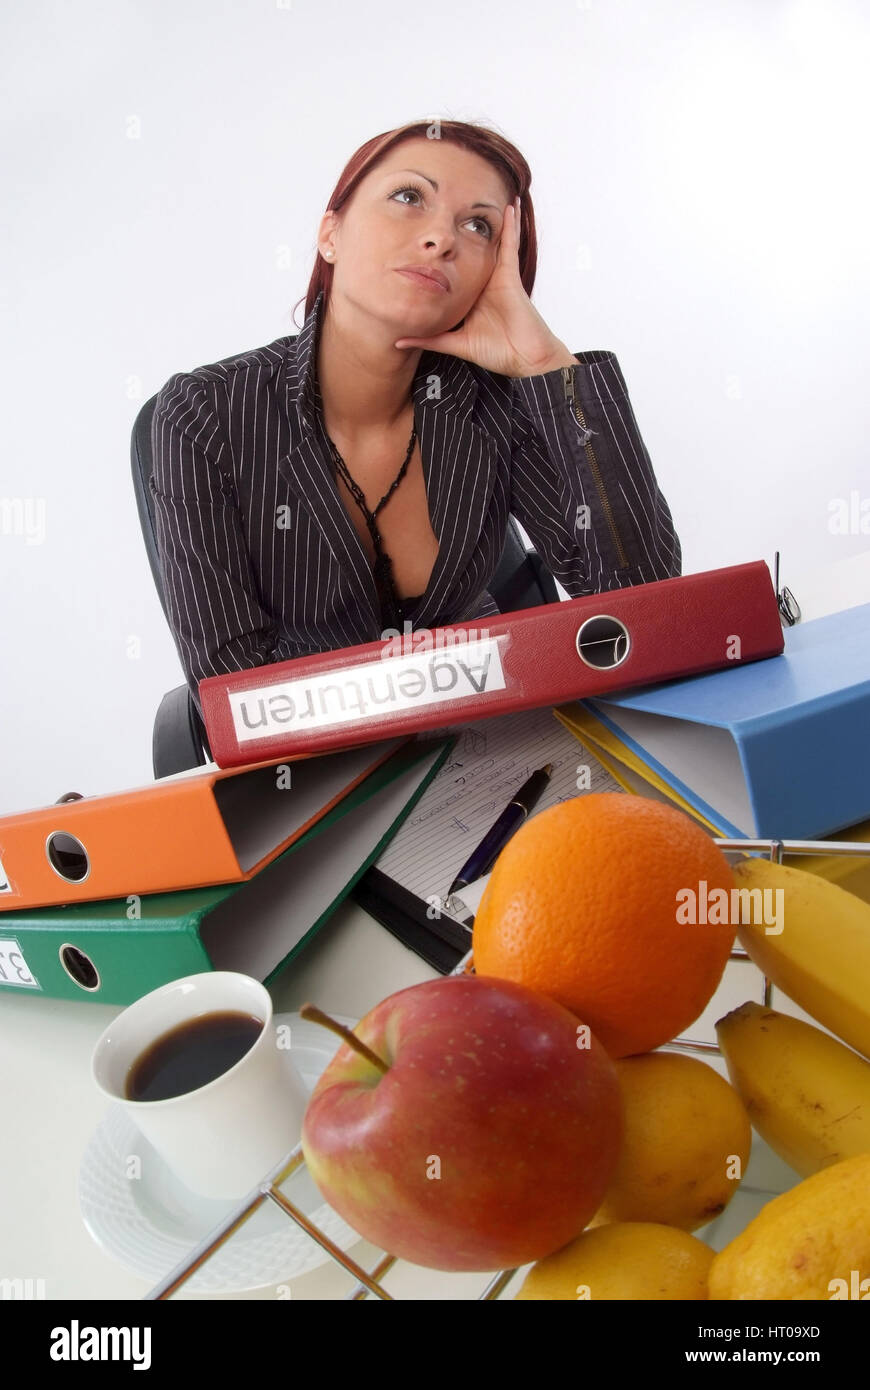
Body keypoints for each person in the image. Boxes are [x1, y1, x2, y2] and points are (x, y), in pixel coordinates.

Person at [150, 119, 681, 723]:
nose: (440, 239)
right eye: (409, 197)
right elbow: (236, 688)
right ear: (331, 232)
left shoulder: (497, 400)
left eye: (477, 225)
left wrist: (546, 366)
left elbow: (642, 604)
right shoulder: (206, 412)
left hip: (498, 733)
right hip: (311, 774)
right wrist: (464, 670)